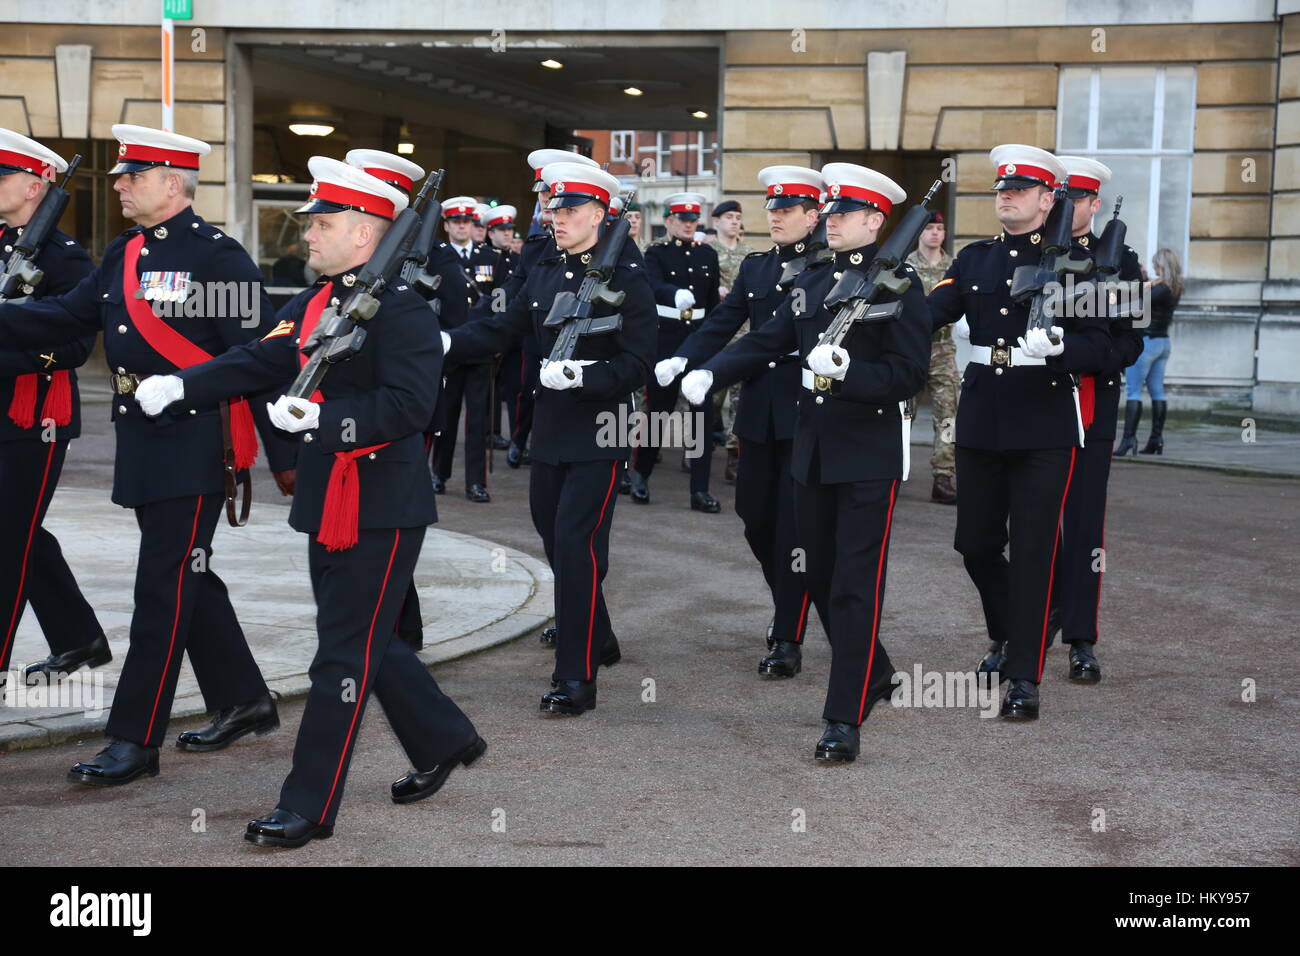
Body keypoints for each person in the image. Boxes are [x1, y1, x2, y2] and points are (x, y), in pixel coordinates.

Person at [134, 157, 484, 849]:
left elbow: (411, 407)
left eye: (323, 224)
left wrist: (327, 420)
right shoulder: (318, 300)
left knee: (340, 658)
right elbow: (262, 358)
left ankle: (308, 806)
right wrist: (183, 386)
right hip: (329, 499)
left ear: (364, 233)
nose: (310, 235)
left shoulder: (404, 310)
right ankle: (444, 737)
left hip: (380, 505)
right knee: (361, 640)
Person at [0, 124, 298, 782]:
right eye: (121, 177)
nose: (120, 186)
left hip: (195, 443)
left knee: (160, 588)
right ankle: (244, 698)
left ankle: (134, 740)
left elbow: (263, 358)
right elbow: (66, 316)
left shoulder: (219, 258)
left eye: (133, 176)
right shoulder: (124, 251)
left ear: (173, 182)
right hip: (141, 440)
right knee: (187, 573)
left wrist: (285, 456)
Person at [681, 163, 931, 762]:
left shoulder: (900, 284)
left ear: (875, 221)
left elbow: (909, 373)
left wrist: (852, 373)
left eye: (846, 213)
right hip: (812, 451)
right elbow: (766, 340)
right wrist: (711, 372)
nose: (834, 221)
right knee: (815, 575)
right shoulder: (814, 279)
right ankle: (873, 671)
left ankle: (843, 717)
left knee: (854, 586)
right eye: (832, 212)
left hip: (867, 456)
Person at [443, 162, 654, 715]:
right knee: (556, 540)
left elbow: (638, 362)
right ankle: (599, 635)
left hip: (602, 429)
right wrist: (443, 342)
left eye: (570, 210)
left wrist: (587, 376)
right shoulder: (543, 271)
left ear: (600, 215)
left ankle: (575, 678)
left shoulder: (626, 277)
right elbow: (503, 327)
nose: (556, 218)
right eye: (554, 209)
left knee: (577, 546)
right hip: (551, 428)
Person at [926, 144, 1111, 721]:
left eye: (1019, 190)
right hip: (983, 415)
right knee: (975, 544)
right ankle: (1010, 631)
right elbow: (926, 313)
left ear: (1047, 199)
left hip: (1045, 419)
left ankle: (1024, 677)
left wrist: (1064, 347)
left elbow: (1114, 345)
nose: (1006, 197)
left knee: (1033, 551)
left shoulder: (1078, 264)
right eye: (1002, 189)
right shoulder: (975, 259)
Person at [657, 166, 822, 677]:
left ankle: (788, 633)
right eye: (772, 209)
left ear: (813, 216)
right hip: (757, 409)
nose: (776, 218)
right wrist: (684, 357)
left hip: (805, 408)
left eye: (787, 210)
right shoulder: (757, 268)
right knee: (755, 519)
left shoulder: (826, 268)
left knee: (793, 529)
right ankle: (788, 599)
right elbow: (723, 323)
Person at [0, 129, 108, 686]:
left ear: (35, 185)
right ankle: (78, 636)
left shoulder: (65, 259)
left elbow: (75, 345)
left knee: (8, 543)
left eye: (3, 176)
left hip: (33, 417)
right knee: (19, 532)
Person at [1044, 156, 1145, 682]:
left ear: (1095, 203)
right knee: (1034, 523)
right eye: (1059, 199)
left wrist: (1088, 355)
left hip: (1090, 402)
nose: (1066, 209)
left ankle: (1080, 637)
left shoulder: (1120, 259)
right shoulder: (1036, 251)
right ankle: (1030, 625)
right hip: (1034, 404)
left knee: (1083, 525)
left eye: (1076, 200)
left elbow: (1131, 340)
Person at [632, 192, 721, 512]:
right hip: (667, 340)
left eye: (692, 220)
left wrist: (712, 339)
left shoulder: (707, 254)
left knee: (701, 417)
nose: (688, 225)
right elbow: (652, 285)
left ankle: (699, 490)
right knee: (659, 410)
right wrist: (674, 293)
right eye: (682, 220)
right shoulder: (657, 253)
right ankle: (641, 474)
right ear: (669, 221)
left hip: (698, 339)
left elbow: (713, 303)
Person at [431, 195, 498, 502]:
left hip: (480, 345)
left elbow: (500, 301)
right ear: (446, 226)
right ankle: (439, 473)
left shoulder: (490, 256)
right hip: (449, 345)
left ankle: (475, 482)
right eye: (456, 222)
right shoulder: (436, 257)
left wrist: (498, 336)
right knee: (446, 414)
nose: (462, 226)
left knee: (477, 420)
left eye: (466, 221)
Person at [904, 210, 958, 504]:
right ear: (919, 233)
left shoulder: (954, 266)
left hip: (943, 349)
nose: (935, 233)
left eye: (940, 228)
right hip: (911, 348)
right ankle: (895, 467)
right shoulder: (905, 266)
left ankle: (943, 475)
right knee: (903, 414)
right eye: (930, 228)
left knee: (947, 413)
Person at [1116, 247, 1182, 456]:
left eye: (1155, 264)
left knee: (1133, 391)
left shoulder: (1161, 288)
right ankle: (1156, 439)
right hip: (1163, 342)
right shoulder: (1175, 287)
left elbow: (1138, 305)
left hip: (1147, 342)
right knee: (1157, 391)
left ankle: (1128, 439)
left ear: (1161, 265)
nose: (1153, 267)